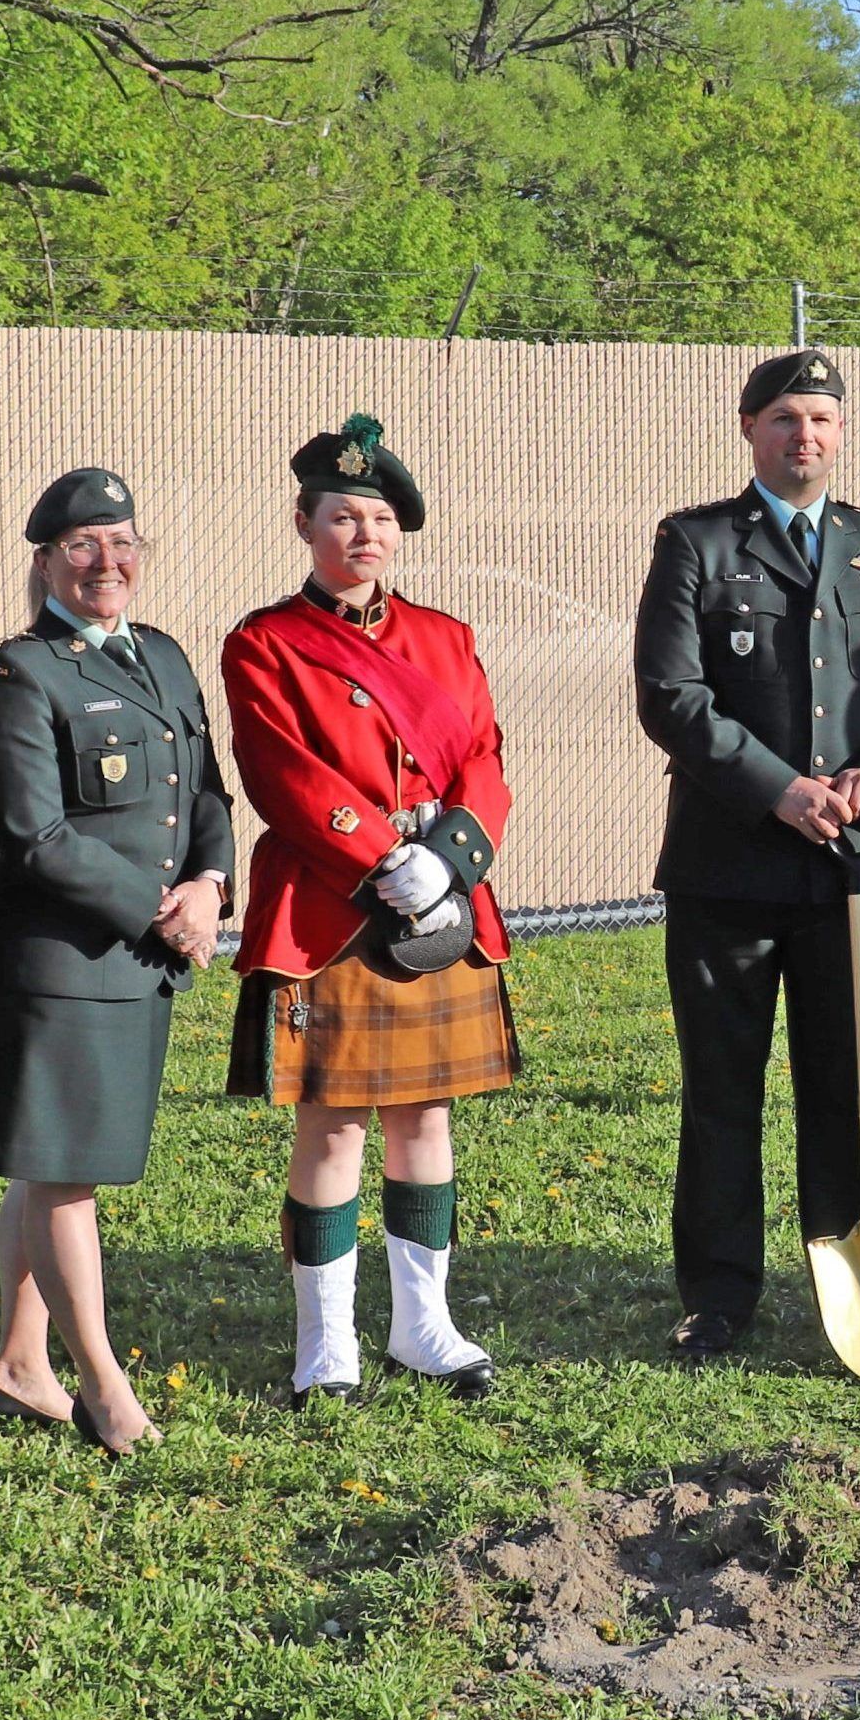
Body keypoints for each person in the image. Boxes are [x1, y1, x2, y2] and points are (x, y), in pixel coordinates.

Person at [634, 349, 860, 1361]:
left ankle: (842, 1260)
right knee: (721, 1086)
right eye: (783, 418)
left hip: (850, 872)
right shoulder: (696, 542)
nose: (803, 436)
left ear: (838, 432)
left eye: (820, 419)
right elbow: (671, 697)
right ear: (749, 429)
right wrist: (775, 787)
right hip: (726, 867)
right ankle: (719, 1293)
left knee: (843, 1081)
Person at [222, 414, 514, 1407]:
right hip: (335, 911)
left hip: (439, 904)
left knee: (425, 1118)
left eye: (379, 520)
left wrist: (449, 860)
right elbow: (279, 773)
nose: (362, 536)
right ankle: (326, 1342)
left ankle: (423, 1326)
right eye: (342, 517)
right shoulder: (264, 643)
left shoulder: (446, 639)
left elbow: (483, 756)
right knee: (333, 1127)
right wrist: (381, 855)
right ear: (304, 523)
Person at [0, 469, 235, 1454]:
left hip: (143, 947)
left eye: (121, 542)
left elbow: (206, 791)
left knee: (50, 1163)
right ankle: (104, 1389)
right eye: (81, 546)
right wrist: (158, 911)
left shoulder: (160, 656)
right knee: (65, 1171)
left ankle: (19, 1365)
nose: (105, 562)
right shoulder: (17, 673)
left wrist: (208, 884)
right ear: (43, 562)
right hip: (58, 957)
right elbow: (29, 831)